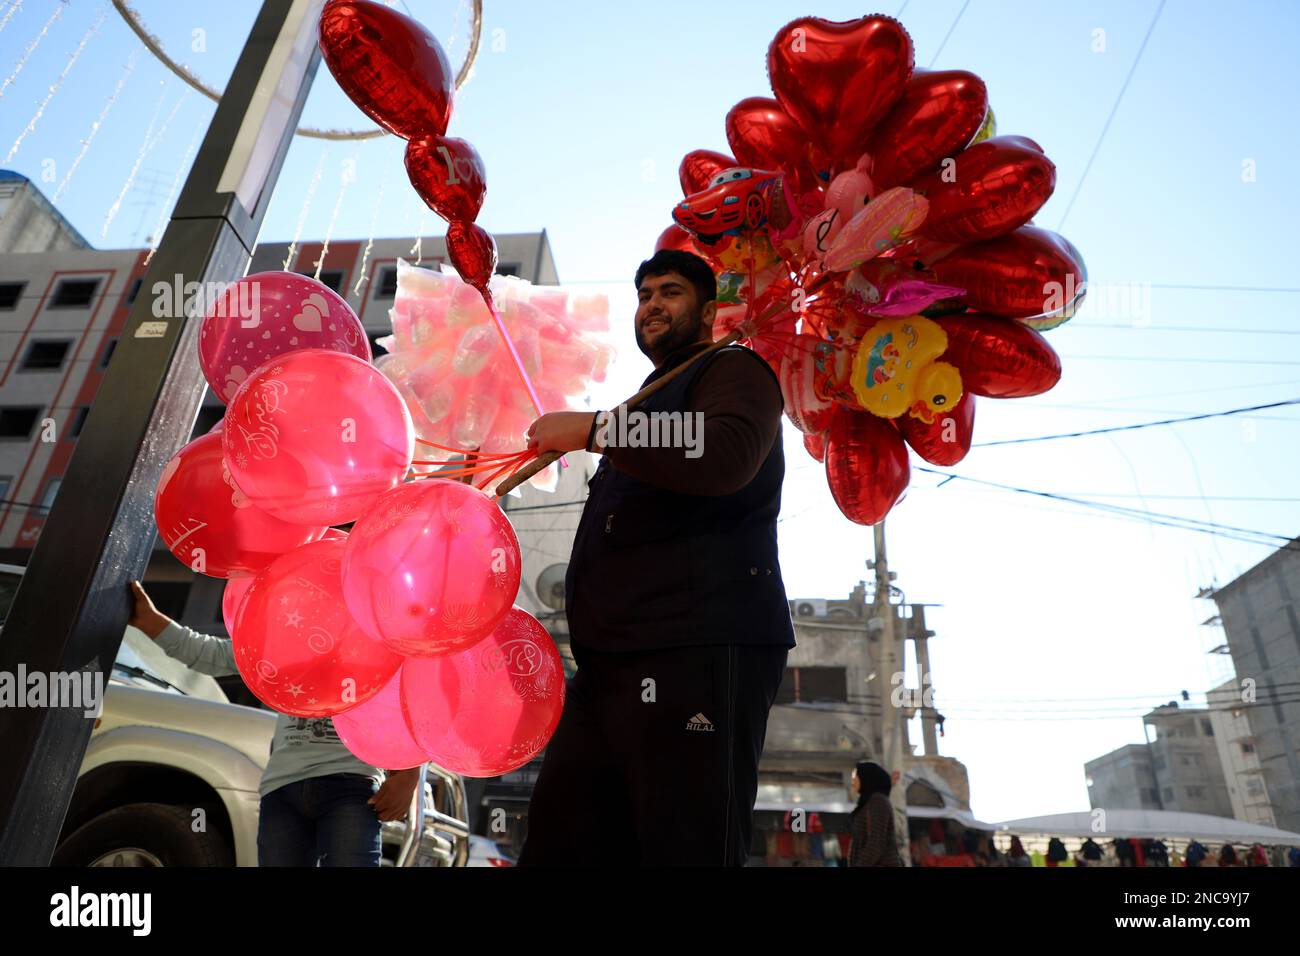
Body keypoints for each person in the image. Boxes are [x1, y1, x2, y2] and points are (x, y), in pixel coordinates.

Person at [516, 249, 794, 867]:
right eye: (644, 295)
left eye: (670, 292)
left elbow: (721, 451)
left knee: (684, 843)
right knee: (561, 840)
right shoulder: (647, 399)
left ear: (710, 311)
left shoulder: (736, 369)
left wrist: (593, 430)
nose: (652, 306)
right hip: (610, 664)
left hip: (696, 647)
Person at [128, 581, 420, 866]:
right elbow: (211, 656)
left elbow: (414, 702)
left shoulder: (380, 644)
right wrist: (151, 621)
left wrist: (408, 774)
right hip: (282, 789)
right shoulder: (286, 642)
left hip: (352, 785)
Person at [847, 761, 903, 867]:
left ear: (866, 778)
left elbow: (876, 842)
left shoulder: (878, 801)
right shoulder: (866, 803)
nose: (853, 781)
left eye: (855, 776)